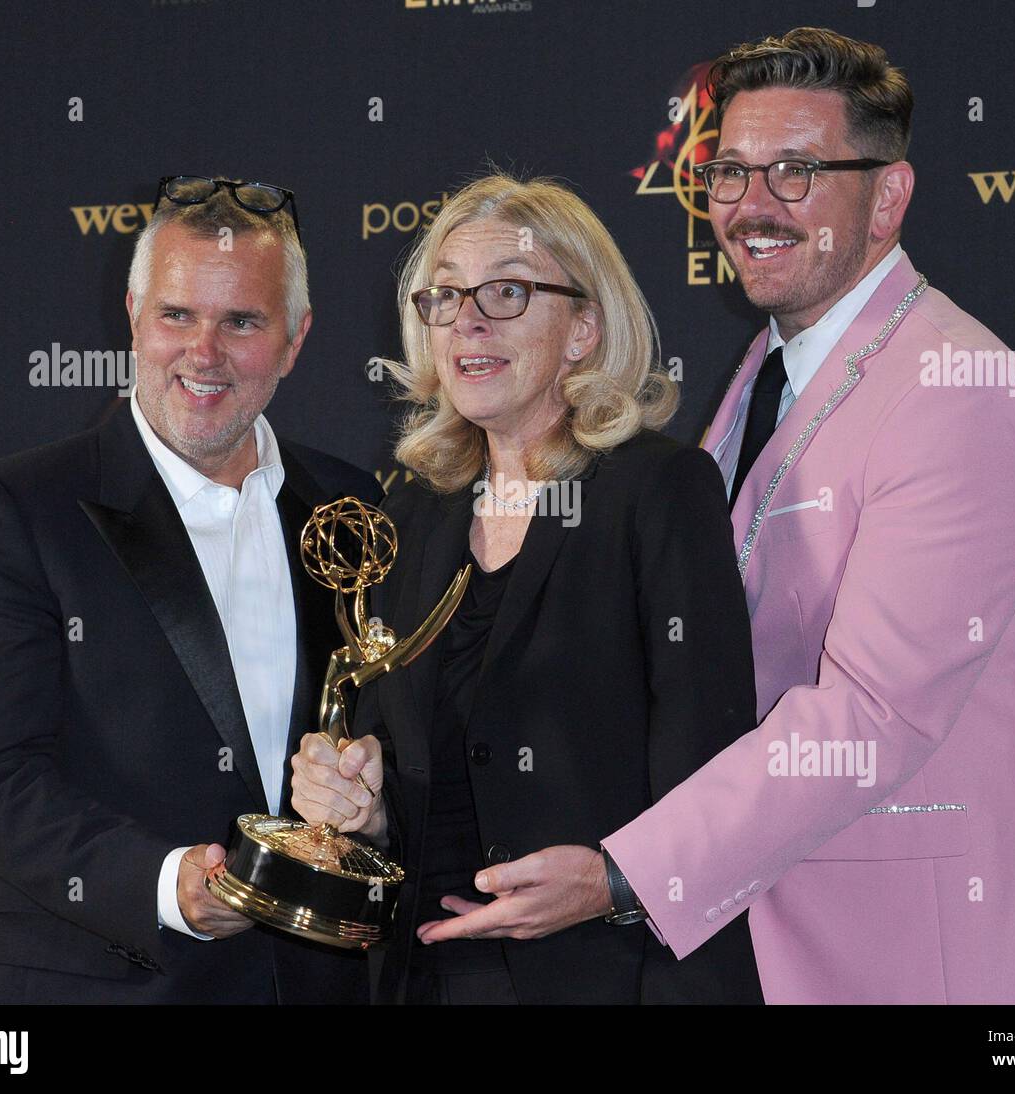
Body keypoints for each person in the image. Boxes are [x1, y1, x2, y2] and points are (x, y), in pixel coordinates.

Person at [423, 29, 1015, 1005]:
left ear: (889, 197)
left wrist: (624, 869)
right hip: (778, 942)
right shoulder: (763, 374)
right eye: (730, 173)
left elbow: (872, 717)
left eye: (795, 172)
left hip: (934, 957)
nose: (751, 207)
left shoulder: (961, 391)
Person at [289, 171, 763, 1005]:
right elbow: (406, 777)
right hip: (427, 976)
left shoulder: (658, 490)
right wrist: (359, 805)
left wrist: (616, 883)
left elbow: (709, 769)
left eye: (506, 293)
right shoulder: (413, 512)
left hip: (606, 976)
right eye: (444, 298)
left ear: (584, 327)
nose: (467, 319)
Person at [0, 175, 380, 1003]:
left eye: (241, 321)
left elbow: (391, 733)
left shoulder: (353, 507)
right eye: (178, 315)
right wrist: (171, 886)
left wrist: (374, 803)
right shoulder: (17, 510)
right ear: (134, 315)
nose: (203, 354)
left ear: (295, 338)